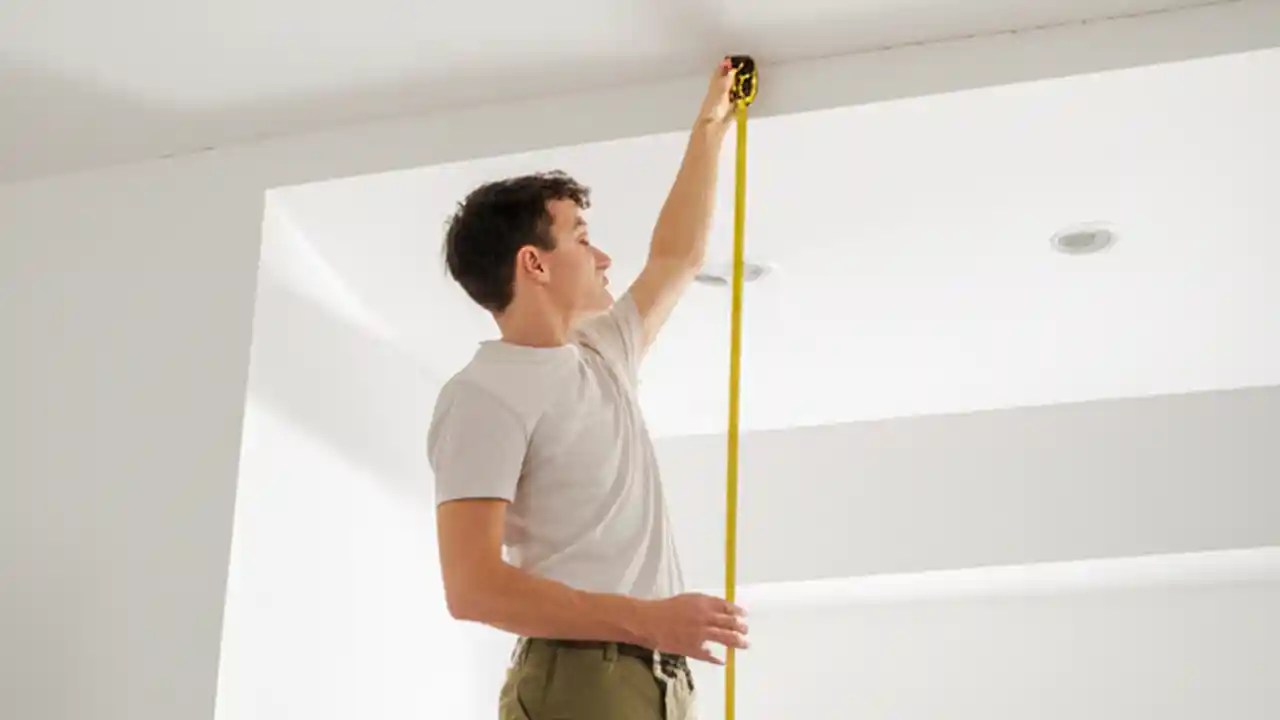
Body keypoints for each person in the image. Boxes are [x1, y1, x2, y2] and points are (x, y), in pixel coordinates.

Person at [427, 58, 750, 719]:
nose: (603, 257)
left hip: (654, 675)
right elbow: (472, 588)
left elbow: (676, 258)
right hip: (583, 677)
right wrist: (648, 621)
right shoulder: (482, 396)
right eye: (582, 237)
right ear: (534, 263)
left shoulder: (602, 352)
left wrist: (710, 129)